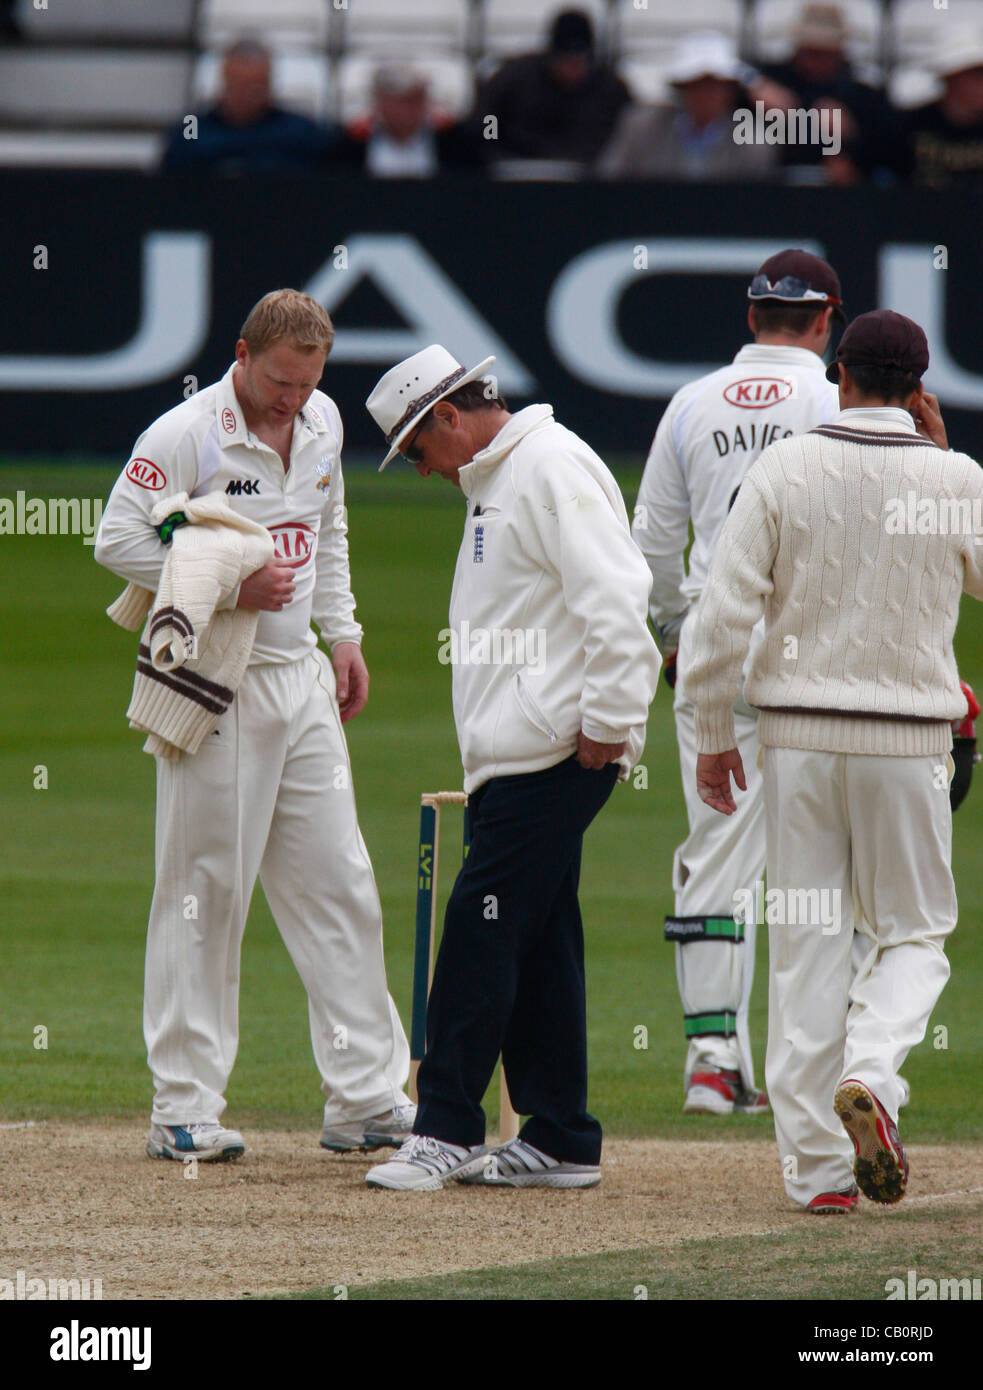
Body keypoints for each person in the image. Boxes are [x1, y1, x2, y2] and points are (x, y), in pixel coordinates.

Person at [94, 289, 414, 1162]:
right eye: (279, 383)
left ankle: (364, 1098)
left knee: (338, 884)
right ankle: (183, 1108)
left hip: (301, 679)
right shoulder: (185, 432)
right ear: (242, 354)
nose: (291, 402)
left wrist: (342, 633)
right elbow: (115, 540)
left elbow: (329, 528)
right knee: (205, 889)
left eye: (307, 386)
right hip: (215, 677)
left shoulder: (321, 424)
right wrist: (227, 585)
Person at [681, 309, 983, 1212]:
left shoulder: (784, 464)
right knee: (912, 933)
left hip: (797, 743)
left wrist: (706, 732)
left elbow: (721, 614)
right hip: (907, 747)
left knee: (805, 948)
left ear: (840, 376)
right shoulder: (952, 476)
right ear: (918, 390)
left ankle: (817, 1175)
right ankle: (873, 1079)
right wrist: (950, 455)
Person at [361, 345, 661, 1190]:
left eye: (418, 451)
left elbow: (615, 594)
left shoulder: (549, 467)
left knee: (479, 927)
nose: (421, 473)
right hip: (519, 753)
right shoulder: (501, 479)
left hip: (558, 749)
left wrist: (608, 718)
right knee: (538, 933)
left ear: (449, 417)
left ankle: (446, 1126)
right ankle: (561, 1136)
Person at [631, 249, 842, 1117]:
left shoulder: (689, 402)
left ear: (749, 316)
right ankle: (829, 1073)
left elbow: (648, 545)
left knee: (717, 852)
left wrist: (677, 639)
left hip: (718, 653)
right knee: (826, 861)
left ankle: (713, 1062)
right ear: (827, 321)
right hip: (817, 658)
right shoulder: (835, 401)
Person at [597, 30, 778, 181]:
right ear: (682, 87)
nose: (707, 94)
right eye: (697, 85)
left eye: (715, 85)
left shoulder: (753, 143)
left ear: (730, 89)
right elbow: (609, 184)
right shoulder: (640, 128)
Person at [470, 8, 630, 166]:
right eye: (564, 60)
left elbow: (629, 138)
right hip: (513, 172)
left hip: (590, 179)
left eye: (579, 62)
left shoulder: (611, 90)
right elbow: (486, 120)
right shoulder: (514, 79)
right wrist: (493, 154)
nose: (570, 69)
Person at [161, 39, 336, 174]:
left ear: (269, 84)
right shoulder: (193, 128)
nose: (246, 95)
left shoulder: (300, 131)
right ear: (223, 81)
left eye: (255, 86)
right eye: (238, 84)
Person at [330, 64, 473, 177]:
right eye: (402, 101)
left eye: (417, 98)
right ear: (380, 101)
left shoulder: (455, 145)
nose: (410, 108)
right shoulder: (348, 146)